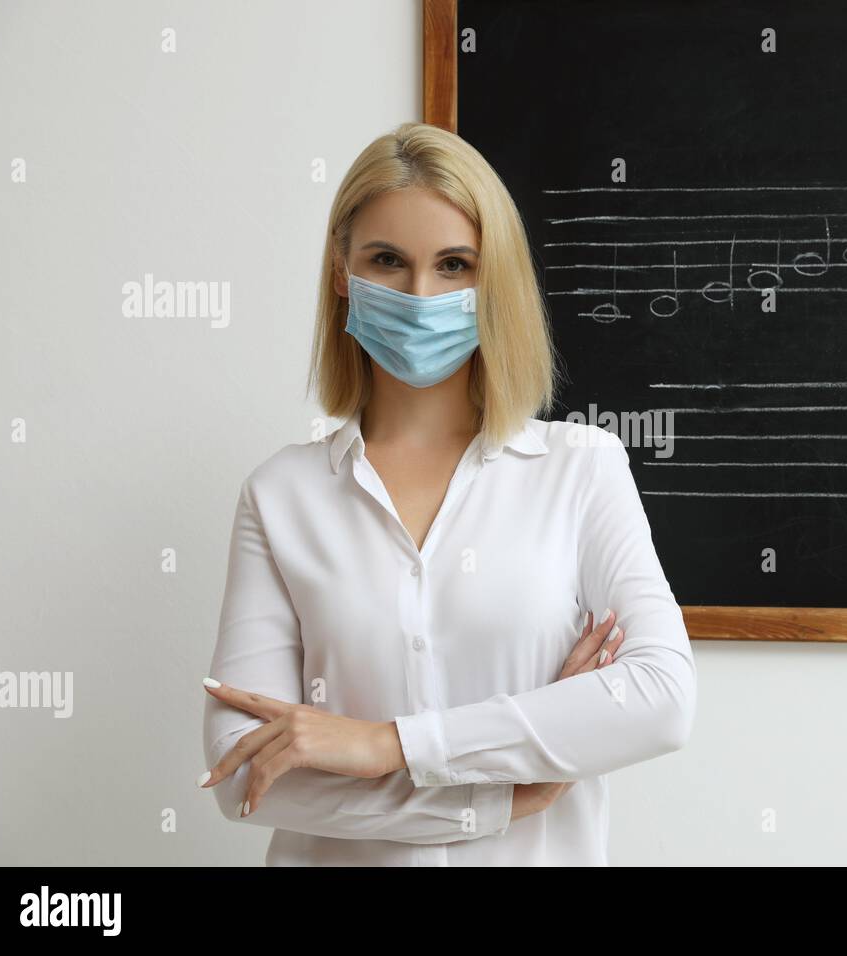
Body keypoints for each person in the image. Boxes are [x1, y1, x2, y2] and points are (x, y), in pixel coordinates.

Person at [197, 122, 696, 865]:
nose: (421, 295)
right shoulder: (280, 495)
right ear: (342, 271)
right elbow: (244, 772)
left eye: (454, 264)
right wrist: (501, 793)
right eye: (388, 261)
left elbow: (660, 699)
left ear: (492, 279)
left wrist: (382, 745)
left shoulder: (581, 470)